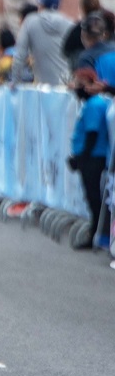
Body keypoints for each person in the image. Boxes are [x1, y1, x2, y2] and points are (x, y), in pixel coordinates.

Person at [68, 67, 110, 249]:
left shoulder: (94, 105)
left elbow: (92, 134)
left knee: (94, 197)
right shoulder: (93, 104)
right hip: (92, 156)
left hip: (93, 157)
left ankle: (96, 234)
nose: (74, 87)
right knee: (93, 197)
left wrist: (81, 158)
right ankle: (97, 233)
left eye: (79, 84)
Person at [14, 0, 71, 85]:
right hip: (66, 83)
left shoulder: (30, 21)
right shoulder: (69, 23)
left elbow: (20, 54)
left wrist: (15, 80)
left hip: (42, 85)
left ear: (42, 5)